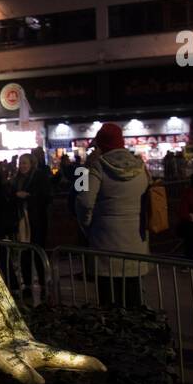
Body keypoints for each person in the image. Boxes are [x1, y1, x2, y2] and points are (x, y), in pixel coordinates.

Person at [75, 123, 149, 307]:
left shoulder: (96, 167)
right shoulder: (141, 166)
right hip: (135, 241)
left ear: (101, 145)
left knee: (109, 300)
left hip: (105, 241)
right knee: (133, 297)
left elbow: (83, 199)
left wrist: (85, 167)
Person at [12, 152, 50, 295]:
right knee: (24, 254)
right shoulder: (17, 180)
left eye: (25, 163)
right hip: (21, 220)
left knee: (38, 251)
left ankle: (44, 284)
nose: (22, 166)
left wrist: (29, 197)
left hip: (36, 220)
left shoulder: (39, 177)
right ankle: (27, 285)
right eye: (20, 163)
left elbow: (46, 196)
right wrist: (16, 196)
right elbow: (11, 195)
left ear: (31, 164)